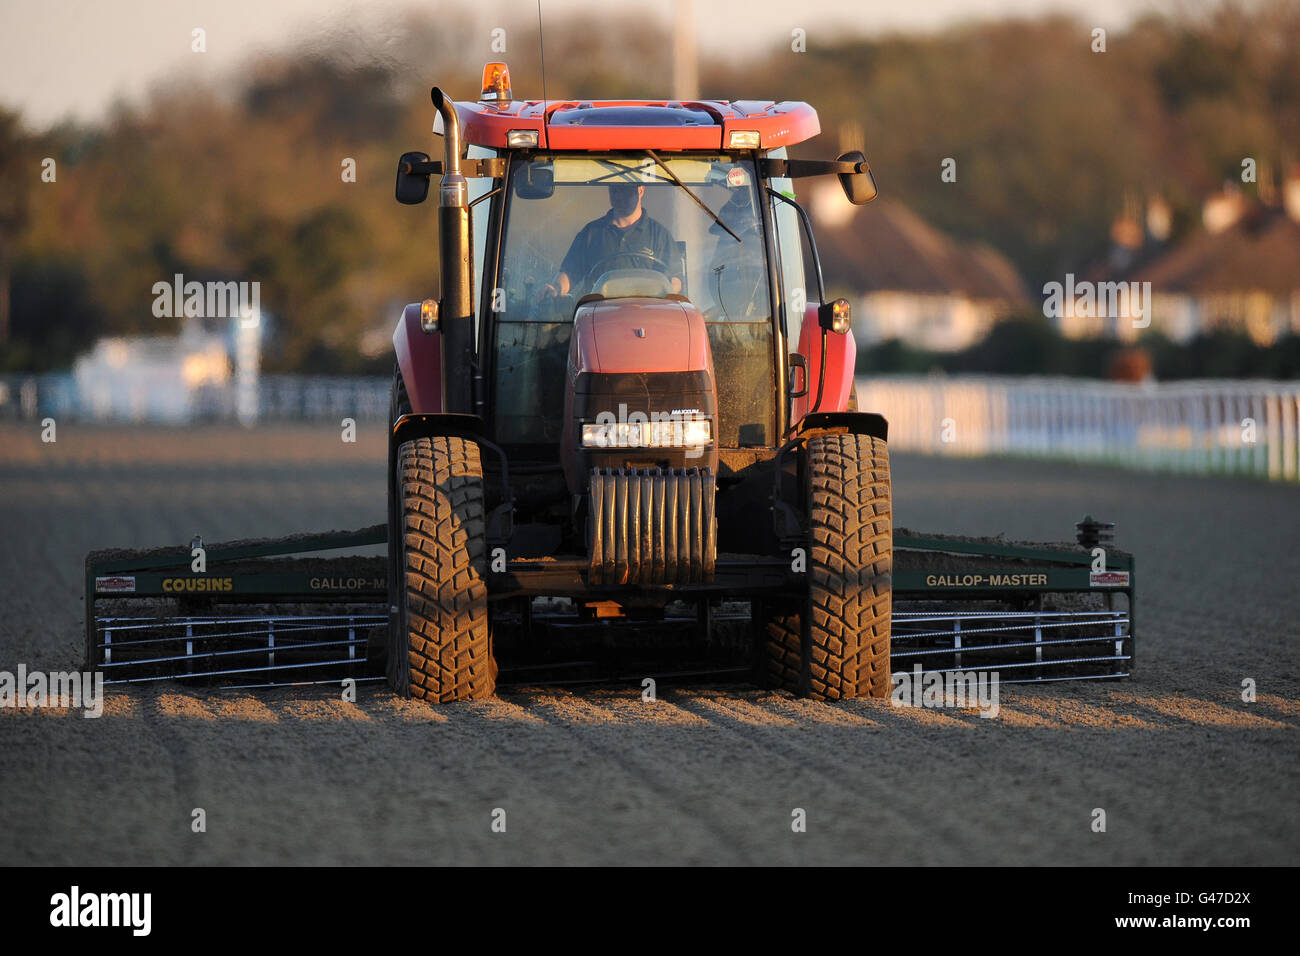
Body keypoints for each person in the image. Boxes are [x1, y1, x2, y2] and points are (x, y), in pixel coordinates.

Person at [543, 182, 682, 298]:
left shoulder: (660, 235)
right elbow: (570, 273)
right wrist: (555, 289)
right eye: (614, 190)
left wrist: (666, 296)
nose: (619, 196)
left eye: (625, 190)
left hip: (648, 317)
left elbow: (674, 280)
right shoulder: (591, 233)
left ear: (641, 190)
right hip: (596, 317)